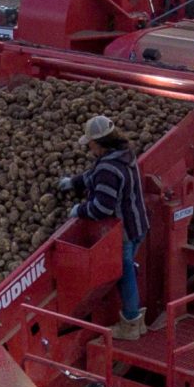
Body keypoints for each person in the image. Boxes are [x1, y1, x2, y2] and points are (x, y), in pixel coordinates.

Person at [65, 113, 150, 339]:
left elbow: (101, 208)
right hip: (138, 224)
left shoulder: (108, 169)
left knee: (124, 274)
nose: (89, 148)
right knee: (128, 269)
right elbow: (95, 175)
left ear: (98, 143)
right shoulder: (124, 155)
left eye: (90, 143)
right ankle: (138, 323)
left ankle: (131, 324)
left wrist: (78, 211)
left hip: (123, 232)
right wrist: (73, 182)